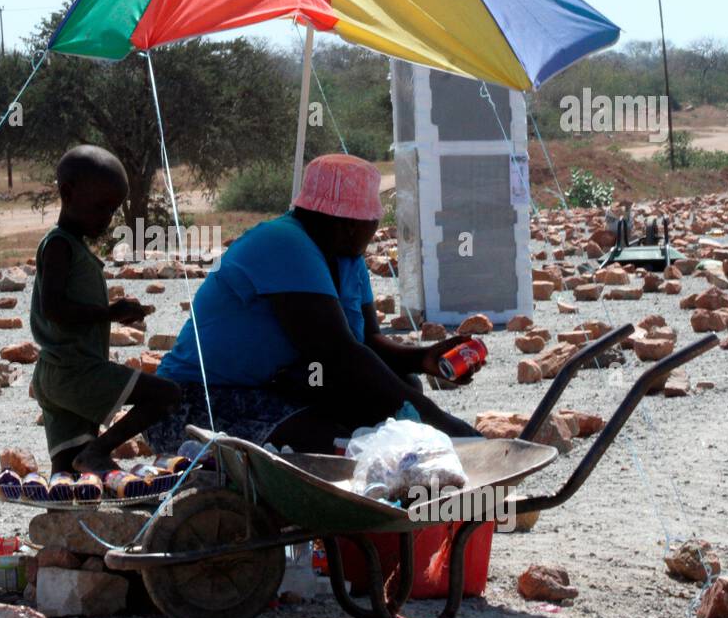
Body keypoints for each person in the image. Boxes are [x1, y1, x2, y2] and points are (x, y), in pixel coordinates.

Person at [148, 153, 481, 454]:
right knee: (337, 444)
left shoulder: (347, 259)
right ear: (350, 224)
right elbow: (339, 354)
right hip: (195, 400)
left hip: (274, 385)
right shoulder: (283, 243)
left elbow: (366, 343)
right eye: (373, 218)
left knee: (401, 391)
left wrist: (424, 358)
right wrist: (444, 423)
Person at [30, 145, 181, 475]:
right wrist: (110, 314)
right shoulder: (59, 245)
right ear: (68, 194)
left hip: (59, 373)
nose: (106, 219)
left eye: (112, 211)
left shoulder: (73, 247)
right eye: (100, 208)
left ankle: (65, 521)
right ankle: (98, 451)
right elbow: (53, 308)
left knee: (68, 475)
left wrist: (112, 314)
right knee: (165, 394)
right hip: (73, 371)